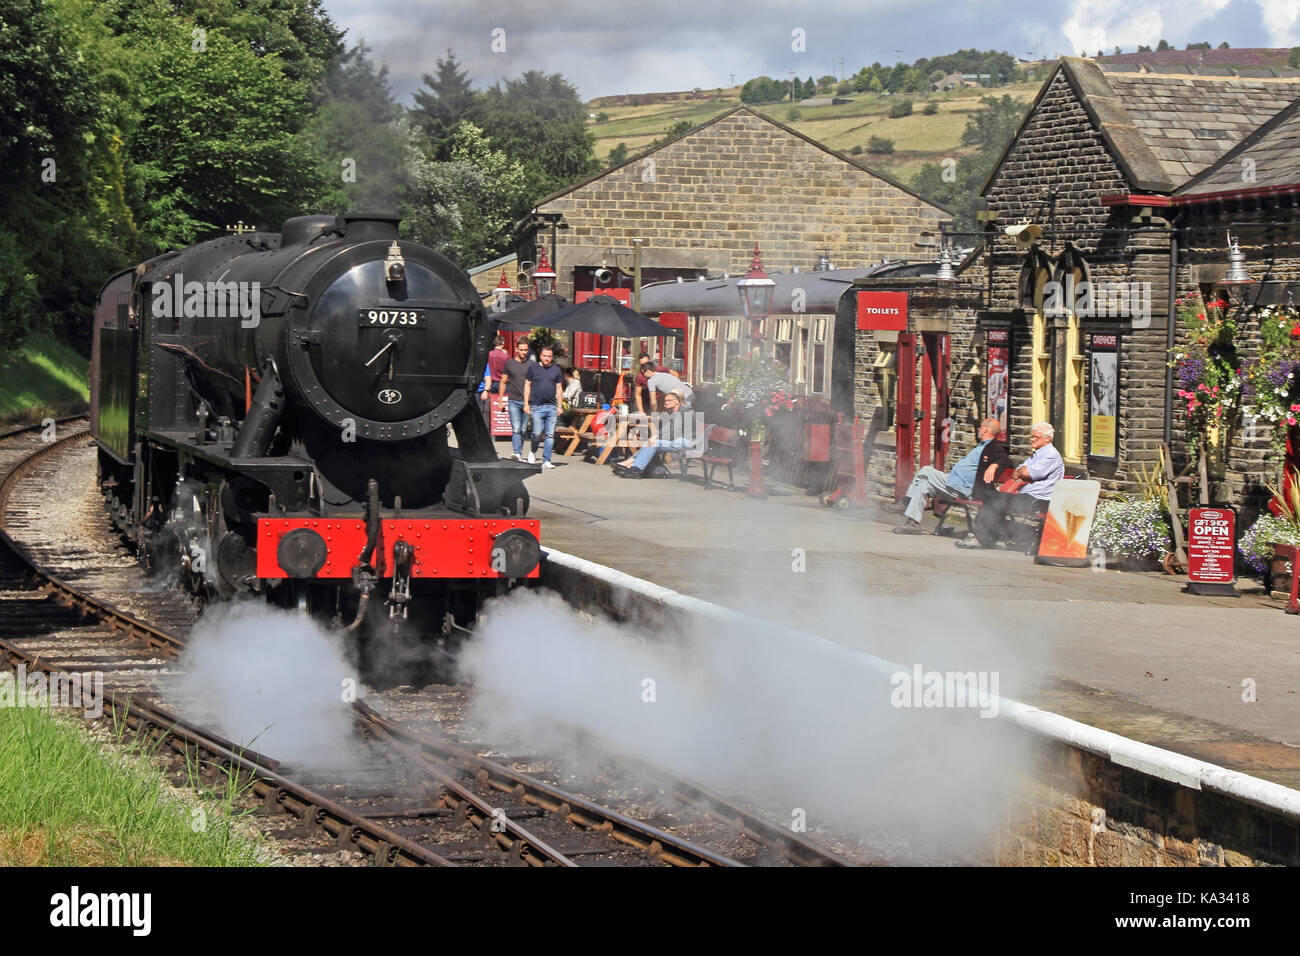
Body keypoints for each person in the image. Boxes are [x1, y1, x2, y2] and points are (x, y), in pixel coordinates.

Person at [886, 418, 1011, 534]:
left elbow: (1005, 459)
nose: (978, 429)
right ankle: (912, 525)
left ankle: (905, 502)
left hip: (963, 488)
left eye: (980, 427)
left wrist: (994, 465)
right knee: (923, 485)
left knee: (926, 471)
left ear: (986, 430)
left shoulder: (993, 446)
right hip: (954, 483)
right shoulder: (982, 446)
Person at [961, 422, 1065, 550]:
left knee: (997, 499)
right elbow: (1017, 473)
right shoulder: (1037, 454)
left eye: (1036, 437)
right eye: (1031, 436)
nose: (1032, 439)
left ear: (1047, 439)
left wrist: (1023, 471)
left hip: (1037, 499)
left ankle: (982, 537)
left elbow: (1026, 472)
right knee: (990, 496)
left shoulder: (1050, 455)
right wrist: (1022, 472)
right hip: (1026, 496)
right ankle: (991, 536)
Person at [613, 389, 693, 478]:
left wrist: (655, 437)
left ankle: (635, 469)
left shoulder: (683, 411)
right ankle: (633, 464)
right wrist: (655, 437)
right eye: (665, 401)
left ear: (677, 401)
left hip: (687, 441)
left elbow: (671, 432)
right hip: (679, 439)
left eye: (669, 400)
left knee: (654, 443)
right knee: (652, 441)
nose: (665, 403)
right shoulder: (676, 412)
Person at [524, 346, 565, 468]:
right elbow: (527, 386)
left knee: (550, 435)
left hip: (551, 407)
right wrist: (526, 404)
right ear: (540, 356)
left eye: (549, 356)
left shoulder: (556, 370)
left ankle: (546, 460)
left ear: (552, 358)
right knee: (536, 433)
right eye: (545, 356)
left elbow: (559, 388)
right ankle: (533, 451)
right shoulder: (533, 368)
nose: (547, 358)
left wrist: (559, 405)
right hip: (537, 406)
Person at [499, 338, 532, 460]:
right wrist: (501, 401)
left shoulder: (531, 365)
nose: (524, 352)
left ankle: (519, 451)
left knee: (523, 430)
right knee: (517, 429)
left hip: (527, 402)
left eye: (526, 350)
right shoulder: (510, 364)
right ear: (517, 349)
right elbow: (503, 382)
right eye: (521, 350)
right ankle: (517, 453)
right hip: (513, 400)